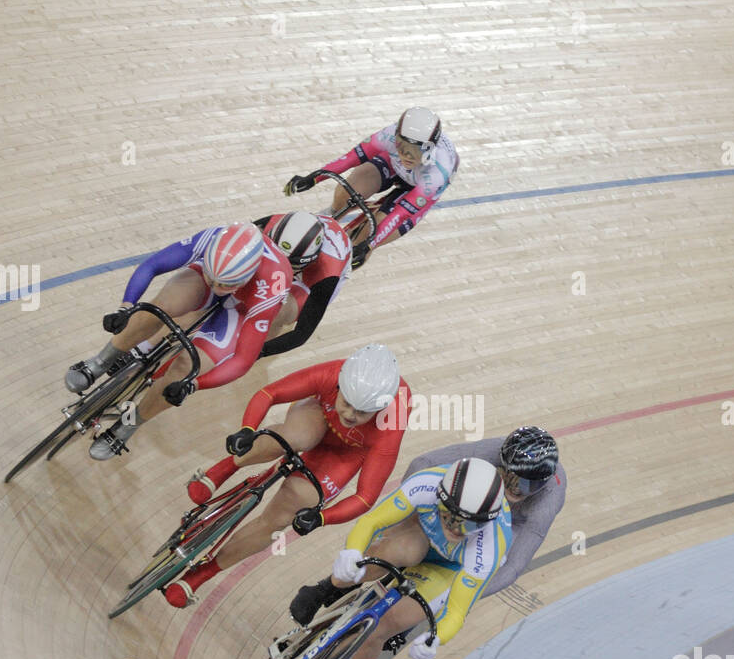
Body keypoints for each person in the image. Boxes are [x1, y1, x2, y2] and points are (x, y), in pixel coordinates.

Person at [270, 457, 511, 659]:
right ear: (440, 499)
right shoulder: (427, 483)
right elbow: (372, 521)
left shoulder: (491, 548)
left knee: (382, 629)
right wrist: (352, 553)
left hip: (447, 570)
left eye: (469, 526)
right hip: (417, 532)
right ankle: (325, 589)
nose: (456, 530)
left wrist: (436, 638)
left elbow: (457, 610)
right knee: (395, 552)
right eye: (449, 516)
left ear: (486, 523)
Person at [162, 344, 409, 608]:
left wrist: (321, 517)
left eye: (362, 412)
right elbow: (270, 393)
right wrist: (247, 430)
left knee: (283, 515)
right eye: (347, 403)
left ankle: (201, 574)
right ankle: (224, 468)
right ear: (340, 386)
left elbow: (365, 497)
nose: (350, 415)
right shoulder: (334, 373)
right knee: (295, 437)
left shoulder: (391, 422)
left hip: (348, 453)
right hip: (318, 415)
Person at [62, 222, 293, 460]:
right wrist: (126, 306)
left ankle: (128, 425)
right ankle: (100, 362)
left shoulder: (271, 288)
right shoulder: (214, 239)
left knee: (186, 370)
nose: (216, 287)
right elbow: (153, 265)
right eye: (212, 278)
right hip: (212, 277)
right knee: (157, 308)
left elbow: (243, 360)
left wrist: (194, 384)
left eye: (224, 284)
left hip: (243, 308)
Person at [283, 106, 458, 267]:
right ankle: (331, 215)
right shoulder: (389, 134)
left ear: (428, 149)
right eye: (402, 146)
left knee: (365, 238)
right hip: (393, 165)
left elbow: (401, 214)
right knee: (348, 191)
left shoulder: (437, 173)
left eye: (415, 150)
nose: (406, 154)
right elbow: (352, 158)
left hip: (419, 188)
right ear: (396, 137)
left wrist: (369, 244)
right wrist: (314, 178)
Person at [401, 426, 564, 597]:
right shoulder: (490, 452)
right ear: (501, 461)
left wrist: (463, 597)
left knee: (489, 563)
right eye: (511, 476)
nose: (515, 488)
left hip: (512, 523)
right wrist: (401, 519)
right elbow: (422, 463)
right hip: (480, 498)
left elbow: (512, 568)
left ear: (544, 484)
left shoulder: (547, 501)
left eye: (527, 485)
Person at [251, 211, 353, 359]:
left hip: (309, 278)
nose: (282, 266)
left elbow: (301, 334)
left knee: (277, 311)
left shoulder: (327, 274)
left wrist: (260, 352)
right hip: (298, 259)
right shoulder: (270, 225)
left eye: (290, 265)